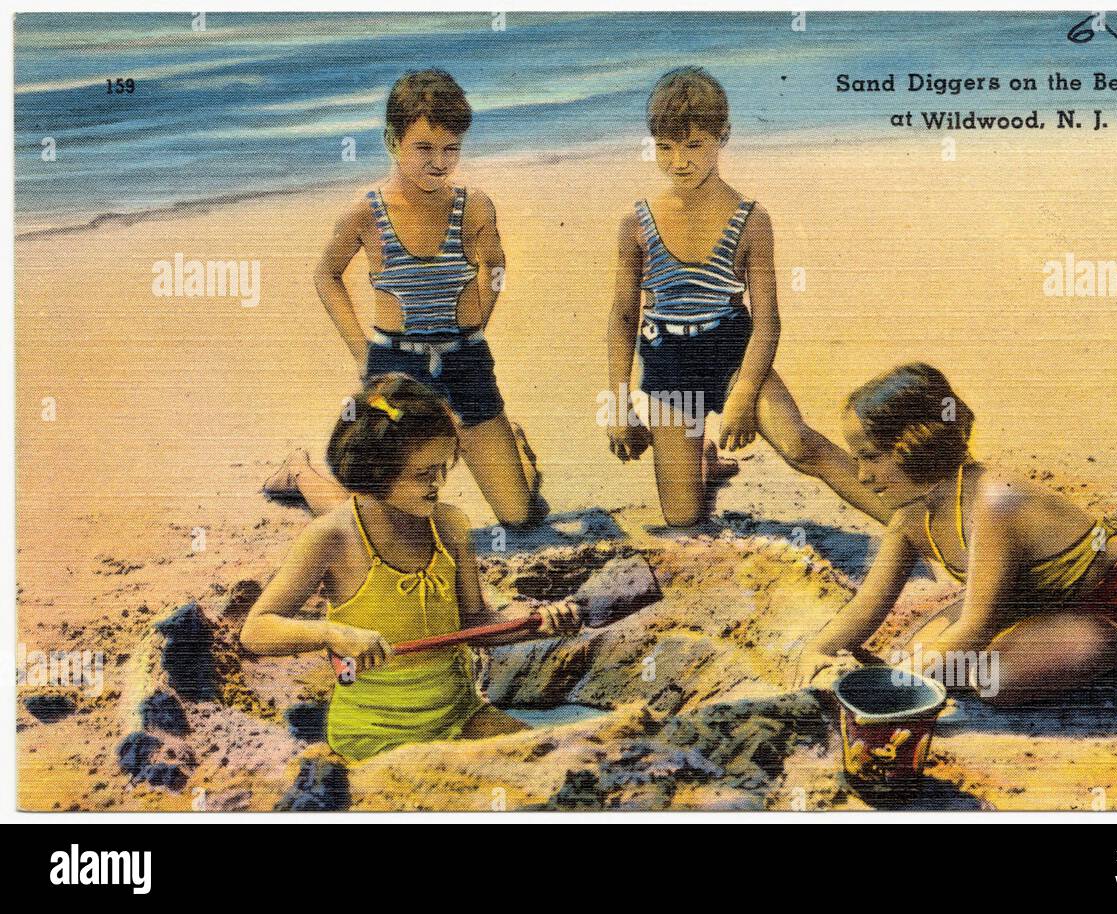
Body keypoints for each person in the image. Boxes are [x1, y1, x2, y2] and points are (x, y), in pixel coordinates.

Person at [606, 67, 894, 528]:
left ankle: (905, 521)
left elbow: (768, 323)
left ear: (722, 137)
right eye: (665, 148)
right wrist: (619, 406)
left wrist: (742, 397)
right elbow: (622, 319)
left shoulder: (751, 219)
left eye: (694, 146)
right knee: (682, 517)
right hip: (667, 360)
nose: (679, 161)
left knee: (798, 444)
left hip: (731, 352)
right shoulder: (636, 222)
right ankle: (699, 452)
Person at [241, 374, 579, 761]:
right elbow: (256, 629)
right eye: (423, 474)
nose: (438, 484)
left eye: (443, 469)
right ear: (376, 469)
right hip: (375, 734)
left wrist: (533, 624)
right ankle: (301, 472)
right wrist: (333, 634)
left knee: (550, 758)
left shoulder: (450, 525)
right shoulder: (331, 538)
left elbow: (474, 622)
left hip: (459, 714)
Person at [264, 68, 546, 528]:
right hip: (396, 371)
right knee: (375, 527)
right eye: (424, 148)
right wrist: (361, 351)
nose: (439, 161)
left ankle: (507, 445)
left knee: (519, 518)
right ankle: (300, 471)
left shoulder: (474, 205)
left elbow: (494, 265)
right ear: (392, 142)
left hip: (465, 363)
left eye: (450, 149)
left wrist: (478, 320)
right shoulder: (367, 212)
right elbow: (326, 276)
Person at [794, 363, 1117, 704]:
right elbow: (867, 606)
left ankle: (1108, 651)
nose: (861, 476)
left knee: (993, 679)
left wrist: (893, 684)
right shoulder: (909, 520)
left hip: (1108, 608)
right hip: (1026, 603)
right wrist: (818, 651)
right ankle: (1035, 639)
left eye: (871, 457)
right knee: (911, 656)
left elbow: (975, 626)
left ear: (914, 445)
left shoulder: (994, 501)